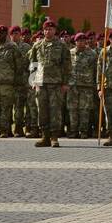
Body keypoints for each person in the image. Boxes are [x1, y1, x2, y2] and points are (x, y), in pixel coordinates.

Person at [30, 19, 72, 148]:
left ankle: (54, 137)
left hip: (56, 83)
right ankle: (45, 137)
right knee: (42, 110)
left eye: (51, 29)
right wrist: (32, 81)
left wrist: (65, 83)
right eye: (46, 29)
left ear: (55, 31)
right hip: (41, 83)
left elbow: (67, 65)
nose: (48, 31)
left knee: (55, 110)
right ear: (43, 31)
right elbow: (33, 64)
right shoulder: (37, 46)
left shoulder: (62, 45)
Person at [69, 33, 98, 138]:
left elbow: (96, 71)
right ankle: (73, 131)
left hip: (87, 86)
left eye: (83, 40)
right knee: (73, 109)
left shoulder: (92, 54)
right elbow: (66, 69)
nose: (81, 42)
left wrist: (96, 85)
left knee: (84, 110)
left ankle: (84, 131)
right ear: (75, 42)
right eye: (78, 40)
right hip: (72, 86)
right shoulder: (70, 53)